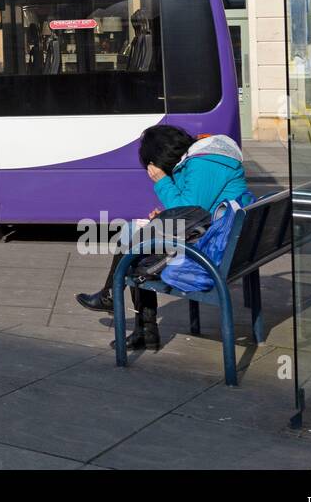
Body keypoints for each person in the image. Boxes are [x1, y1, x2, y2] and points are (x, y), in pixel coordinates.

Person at [75, 125, 252, 351]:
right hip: (219, 239)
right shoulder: (205, 158)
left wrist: (161, 181)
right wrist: (165, 215)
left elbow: (190, 208)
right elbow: (193, 211)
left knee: (135, 250)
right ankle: (118, 302)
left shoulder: (204, 163)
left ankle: (132, 316)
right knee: (134, 234)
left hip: (209, 250)